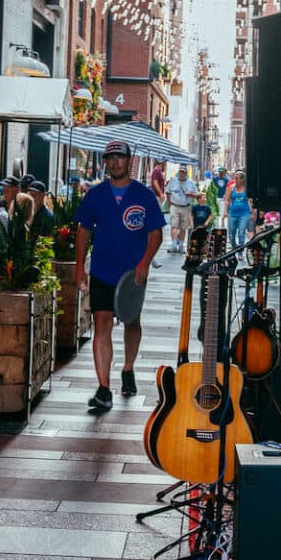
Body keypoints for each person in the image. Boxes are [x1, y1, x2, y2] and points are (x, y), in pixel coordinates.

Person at [75, 140, 165, 411]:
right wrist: (80, 266)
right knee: (101, 323)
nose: (115, 163)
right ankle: (104, 389)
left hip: (132, 273)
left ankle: (128, 367)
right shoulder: (95, 195)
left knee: (131, 322)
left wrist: (144, 263)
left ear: (129, 161)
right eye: (109, 158)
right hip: (102, 269)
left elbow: (156, 234)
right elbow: (84, 231)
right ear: (105, 162)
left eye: (120, 158)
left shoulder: (144, 195)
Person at [165, 168, 199, 252]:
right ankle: (173, 245)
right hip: (175, 206)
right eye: (180, 172)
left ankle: (181, 245)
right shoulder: (173, 181)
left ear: (186, 173)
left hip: (186, 207)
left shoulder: (191, 183)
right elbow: (168, 192)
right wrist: (169, 205)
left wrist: (191, 194)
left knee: (183, 227)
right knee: (174, 226)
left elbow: (197, 194)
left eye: (183, 172)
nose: (181, 174)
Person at [225, 171, 253, 248]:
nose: (235, 181)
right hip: (232, 214)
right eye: (235, 179)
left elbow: (251, 201)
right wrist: (225, 211)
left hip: (244, 214)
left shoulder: (247, 189)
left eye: (237, 179)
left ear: (242, 180)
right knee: (231, 234)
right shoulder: (231, 188)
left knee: (241, 232)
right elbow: (227, 199)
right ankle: (234, 248)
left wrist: (252, 214)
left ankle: (240, 251)